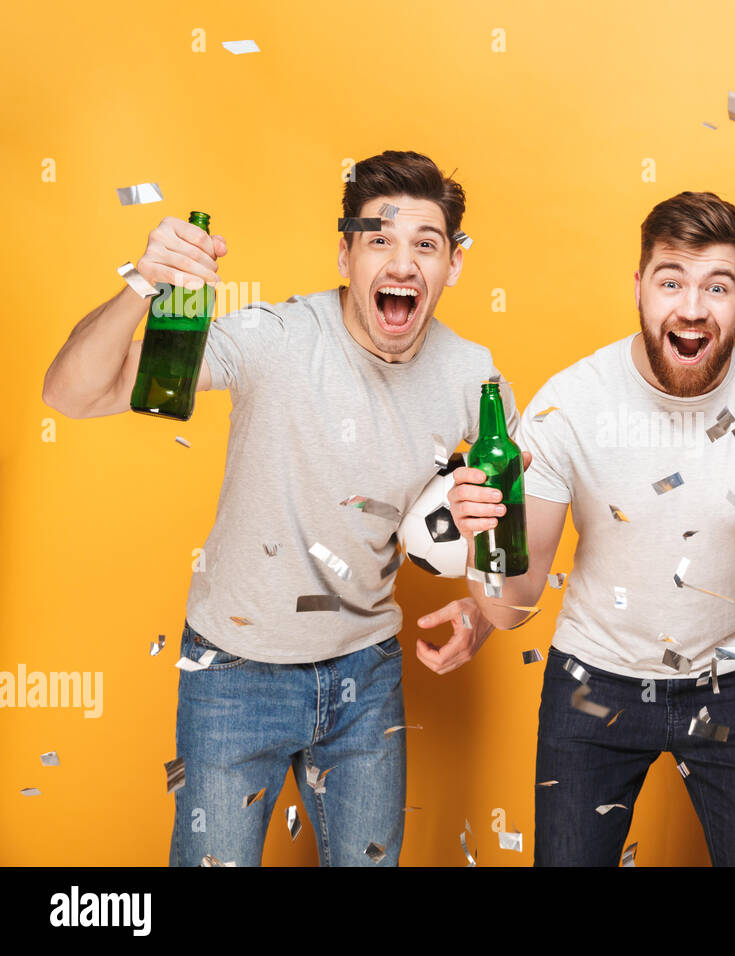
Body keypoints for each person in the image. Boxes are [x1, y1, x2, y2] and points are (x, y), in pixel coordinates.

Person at [42, 150, 510, 866]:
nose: (403, 261)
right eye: (379, 238)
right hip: (233, 674)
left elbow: (497, 529)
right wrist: (144, 284)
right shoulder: (276, 340)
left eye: (426, 243)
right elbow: (71, 394)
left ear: (453, 265)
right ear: (345, 253)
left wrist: (479, 608)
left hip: (367, 676)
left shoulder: (474, 376)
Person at [443, 191, 735, 866]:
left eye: (715, 286)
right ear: (639, 287)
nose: (691, 308)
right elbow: (510, 610)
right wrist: (486, 534)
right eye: (671, 282)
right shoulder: (568, 404)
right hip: (592, 683)